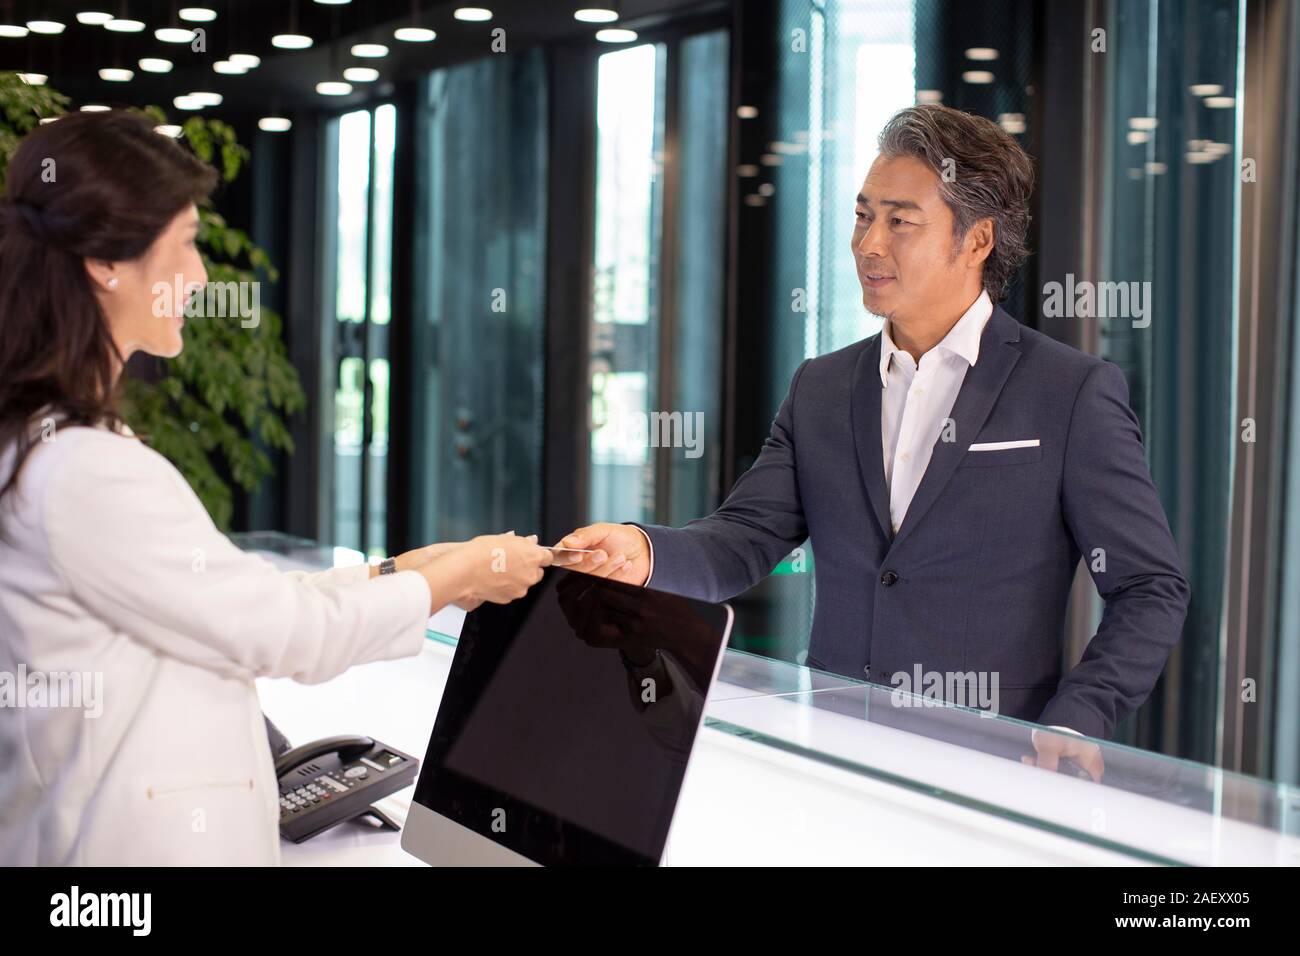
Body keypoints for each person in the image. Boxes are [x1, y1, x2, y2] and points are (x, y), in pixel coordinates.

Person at [557, 105, 1191, 779]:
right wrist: (644, 550)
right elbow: (743, 540)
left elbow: (1149, 584)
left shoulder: (1070, 392)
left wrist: (1079, 714)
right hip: (829, 757)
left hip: (996, 768)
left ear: (977, 241)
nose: (868, 244)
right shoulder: (822, 387)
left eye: (899, 221)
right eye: (863, 216)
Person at [0, 110, 553, 865]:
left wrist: (414, 570)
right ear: (106, 261)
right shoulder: (86, 473)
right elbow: (285, 633)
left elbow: (240, 601)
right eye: (187, 243)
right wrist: (462, 573)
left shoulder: (50, 445)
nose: (201, 278)